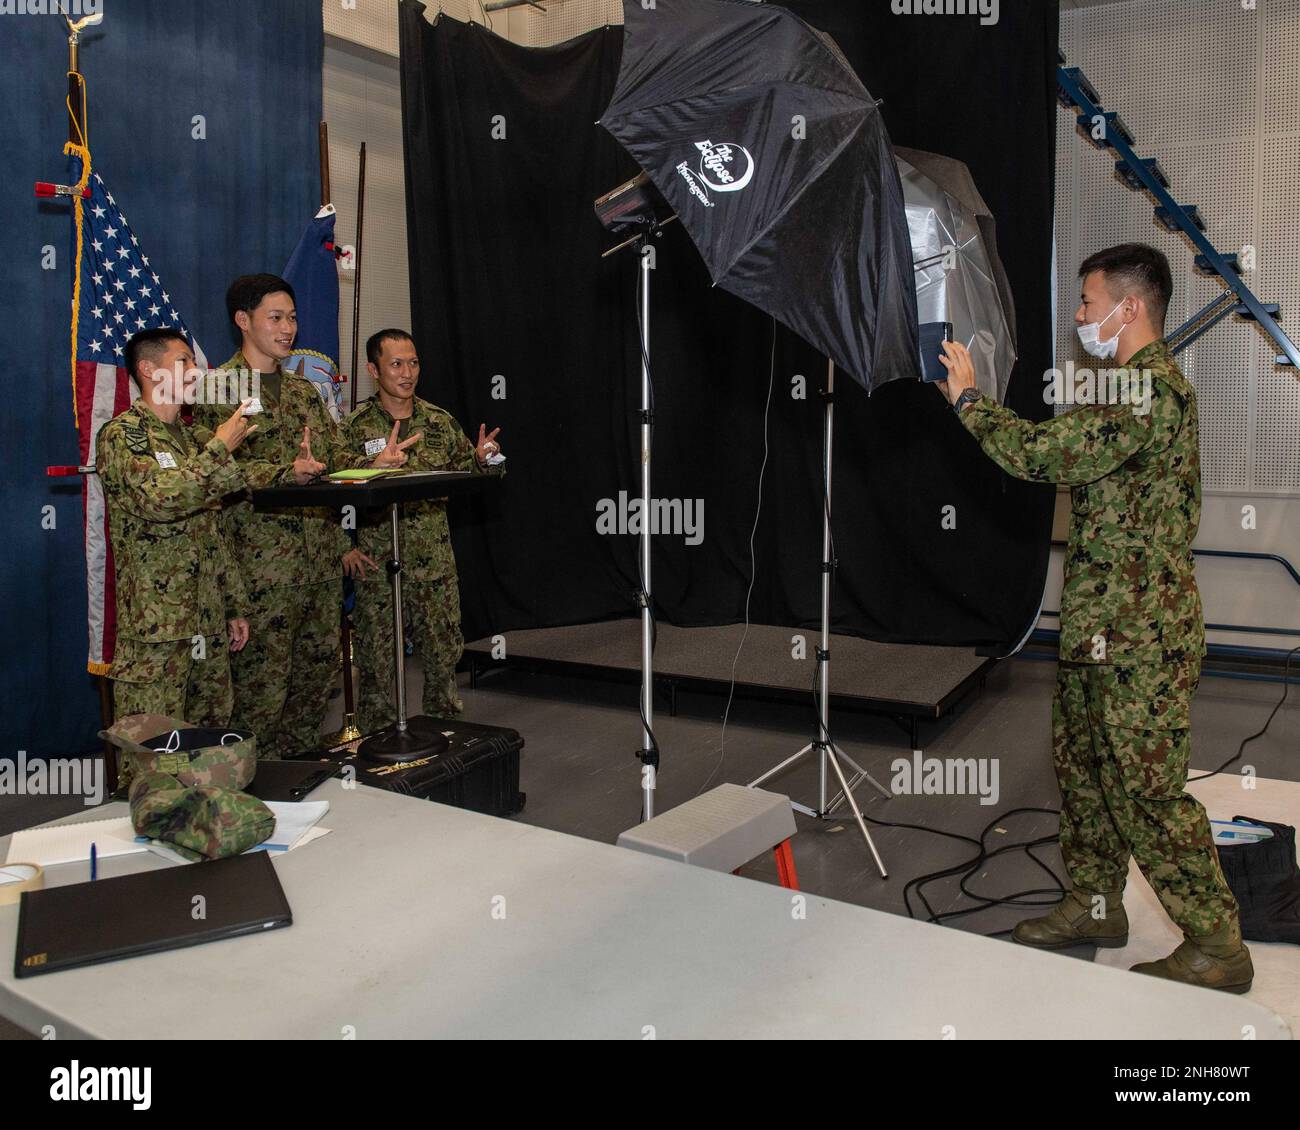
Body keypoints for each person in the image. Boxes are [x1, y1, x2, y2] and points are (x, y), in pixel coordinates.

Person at [936, 243, 1251, 993]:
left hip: (1143, 639)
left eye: (1086, 302)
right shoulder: (1123, 390)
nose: (1080, 318)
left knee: (1144, 790)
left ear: (1129, 306)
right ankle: (1096, 904)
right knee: (1085, 774)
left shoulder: (1149, 392)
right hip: (1100, 633)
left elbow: (1042, 454)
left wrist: (970, 402)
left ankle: (1217, 944)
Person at [194, 275, 416, 758]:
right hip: (259, 572)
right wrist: (284, 472)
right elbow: (213, 470)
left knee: (314, 687)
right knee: (260, 694)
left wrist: (371, 464)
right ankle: (249, 792)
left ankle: (296, 778)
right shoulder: (215, 389)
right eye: (275, 317)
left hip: (318, 566)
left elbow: (333, 460)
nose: (288, 327)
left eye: (292, 317)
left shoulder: (304, 392)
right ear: (242, 321)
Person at [98, 328, 256, 778]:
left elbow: (213, 531)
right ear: (149, 370)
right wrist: (219, 449)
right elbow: (160, 500)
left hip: (207, 622)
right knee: (153, 756)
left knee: (209, 747)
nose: (196, 370)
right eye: (185, 361)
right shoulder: (123, 436)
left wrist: (232, 604)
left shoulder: (192, 440)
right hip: (157, 630)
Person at [340, 329, 502, 731]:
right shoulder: (354, 428)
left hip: (433, 566)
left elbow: (474, 470)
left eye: (413, 363)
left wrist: (487, 459)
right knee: (377, 664)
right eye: (396, 364)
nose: (407, 372)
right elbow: (332, 490)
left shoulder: (438, 422)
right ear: (373, 370)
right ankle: (377, 748)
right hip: (378, 566)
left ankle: (446, 738)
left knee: (443, 658)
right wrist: (343, 546)